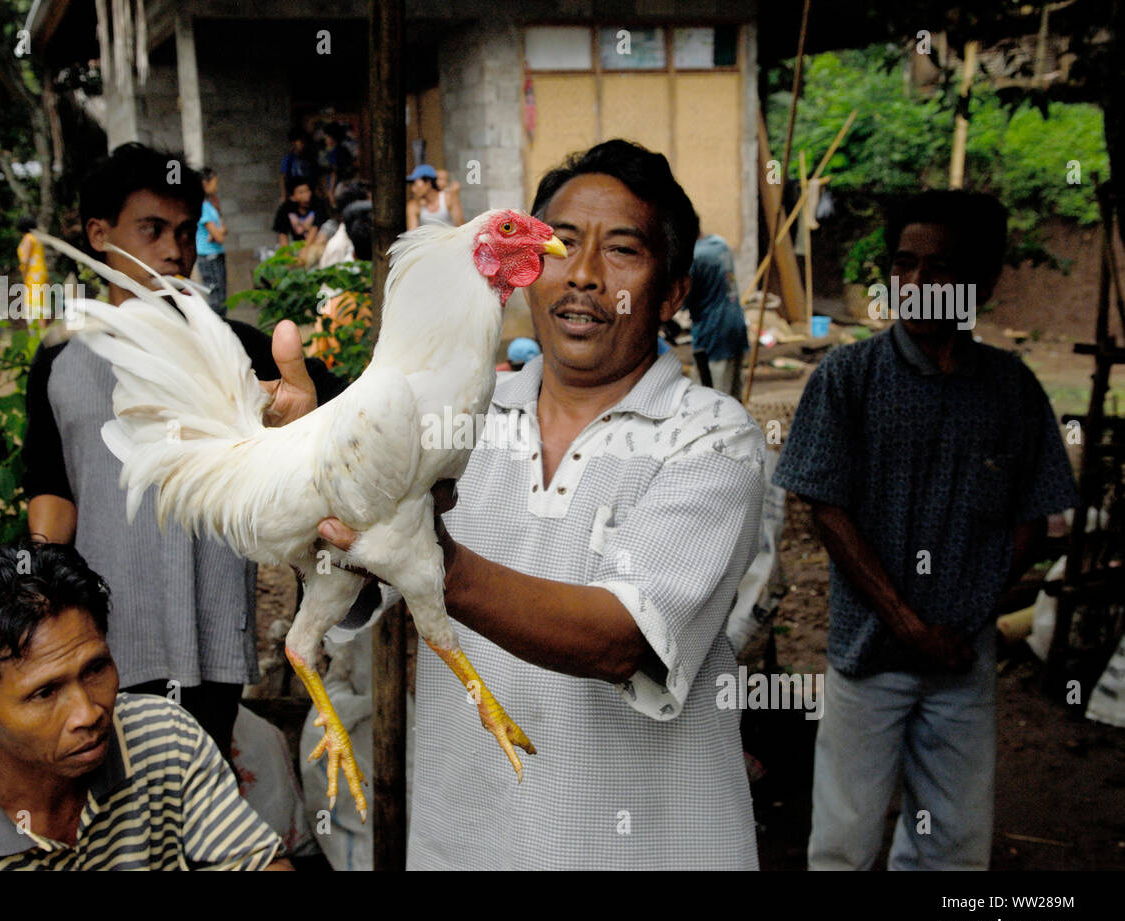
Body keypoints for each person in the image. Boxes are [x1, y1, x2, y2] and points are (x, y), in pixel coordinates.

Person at [320, 139, 765, 869]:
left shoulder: (714, 439)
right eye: (562, 244)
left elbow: (621, 640)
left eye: (622, 250)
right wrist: (317, 477)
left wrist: (434, 565)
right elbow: (356, 586)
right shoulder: (458, 415)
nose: (583, 275)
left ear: (674, 291)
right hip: (464, 843)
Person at [772, 191, 1077, 870]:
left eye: (939, 268)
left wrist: (969, 617)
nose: (915, 284)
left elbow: (1037, 517)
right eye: (903, 264)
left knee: (955, 847)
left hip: (960, 664)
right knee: (843, 846)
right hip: (868, 655)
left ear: (982, 282)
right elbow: (825, 507)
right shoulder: (849, 377)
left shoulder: (1012, 387)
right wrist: (908, 623)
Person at [23, 142, 343, 758]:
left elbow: (345, 416)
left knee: (204, 795)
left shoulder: (239, 350)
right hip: (103, 633)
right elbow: (52, 484)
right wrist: (41, 593)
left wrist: (309, 420)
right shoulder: (61, 357)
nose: (174, 250)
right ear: (98, 233)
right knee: (114, 797)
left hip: (213, 626)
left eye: (184, 231)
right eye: (151, 230)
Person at [0, 544, 291, 870]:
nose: (88, 712)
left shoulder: (164, 739)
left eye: (95, 669)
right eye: (45, 693)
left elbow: (255, 861)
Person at [685, 231, 748, 398]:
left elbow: (679, 299)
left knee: (712, 401)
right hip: (735, 324)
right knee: (732, 398)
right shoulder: (720, 244)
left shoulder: (694, 257)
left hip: (713, 333)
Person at [196, 167, 228, 317]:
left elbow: (223, 230)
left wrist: (217, 232)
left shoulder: (211, 205)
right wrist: (217, 233)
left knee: (222, 296)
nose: (216, 186)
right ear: (206, 183)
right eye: (214, 182)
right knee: (216, 299)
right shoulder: (202, 207)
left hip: (216, 253)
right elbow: (220, 236)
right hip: (209, 256)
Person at [405, 163, 464, 230]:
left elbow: (461, 227)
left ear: (428, 183)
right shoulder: (413, 206)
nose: (413, 189)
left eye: (415, 183)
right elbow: (412, 235)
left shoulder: (448, 198)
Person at [272, 176, 325, 248]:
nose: (306, 195)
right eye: (301, 192)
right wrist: (286, 254)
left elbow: (315, 227)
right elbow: (282, 233)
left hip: (317, 244)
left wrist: (305, 250)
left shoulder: (318, 204)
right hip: (298, 245)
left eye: (307, 191)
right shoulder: (286, 209)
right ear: (293, 197)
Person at [17, 216, 50, 325]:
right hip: (41, 273)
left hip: (33, 275)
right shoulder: (37, 238)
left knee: (34, 305)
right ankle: (42, 332)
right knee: (41, 304)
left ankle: (36, 336)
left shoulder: (28, 238)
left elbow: (25, 260)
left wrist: (23, 274)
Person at [280, 127, 316, 198]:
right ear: (294, 143)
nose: (303, 145)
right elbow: (283, 178)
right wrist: (283, 195)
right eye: (301, 142)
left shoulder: (309, 159)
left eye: (304, 142)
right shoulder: (289, 158)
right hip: (294, 193)